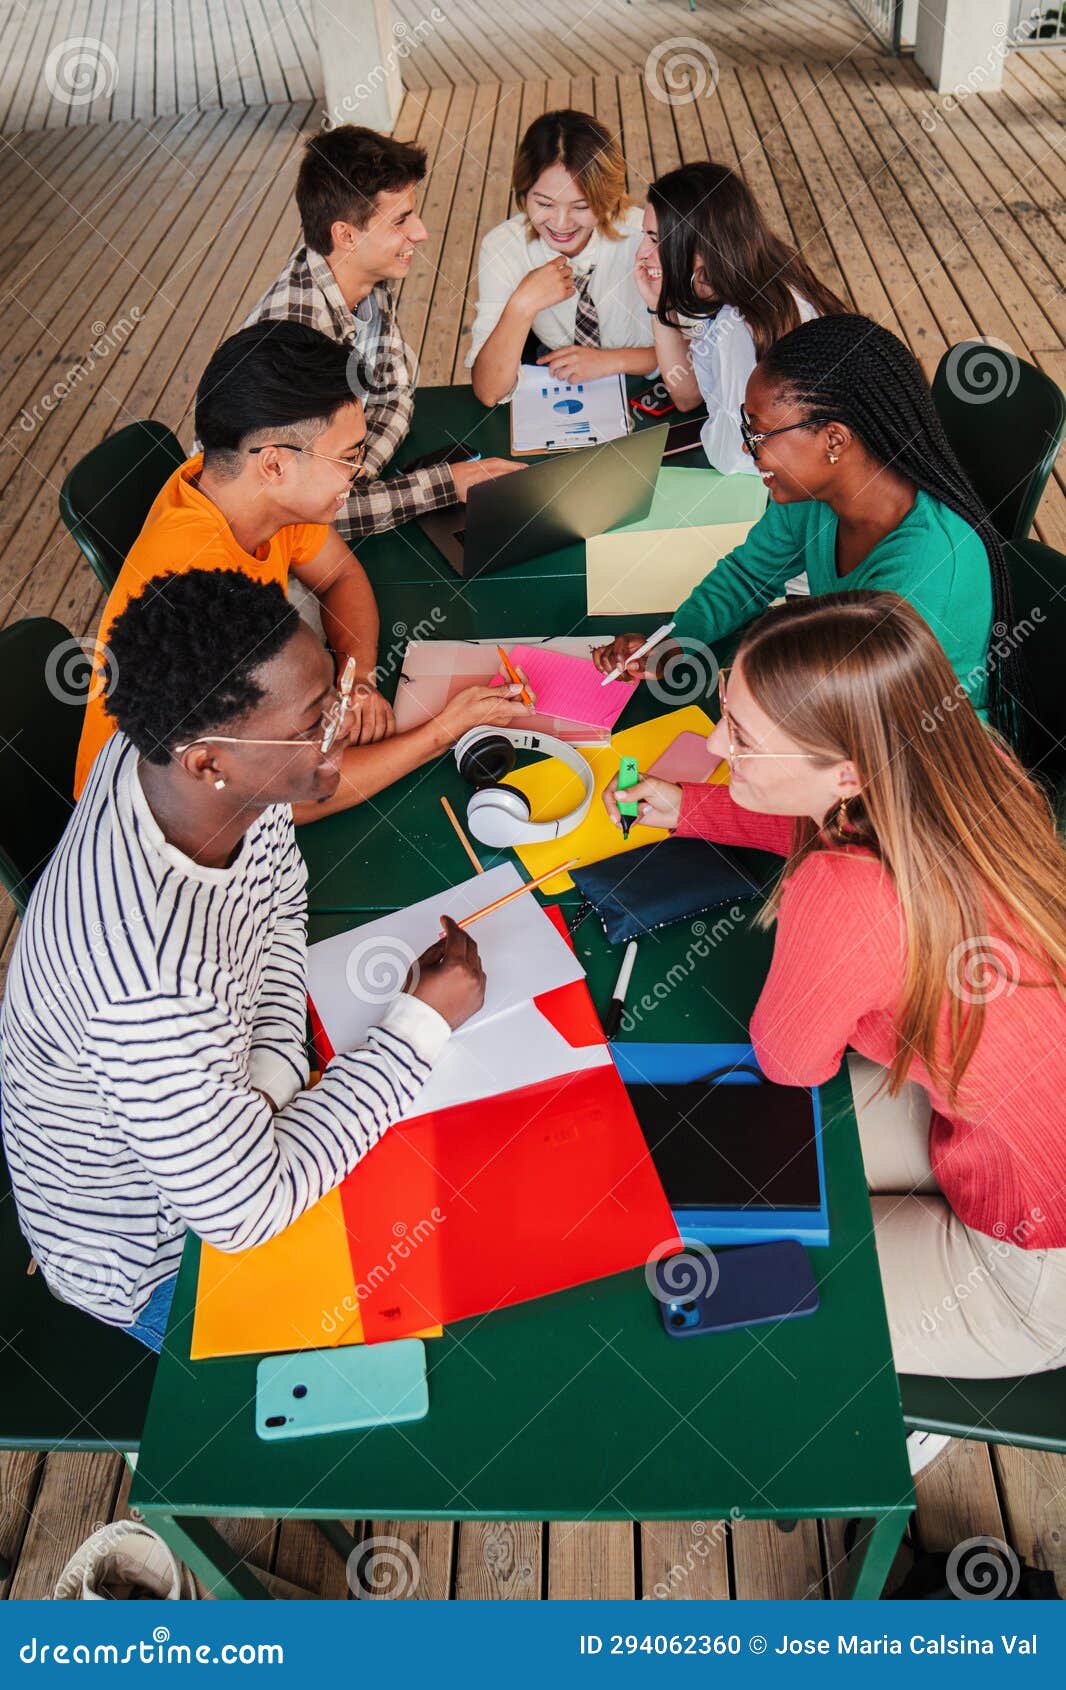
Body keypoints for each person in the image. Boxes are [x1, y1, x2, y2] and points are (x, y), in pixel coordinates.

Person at [2, 570, 490, 1351]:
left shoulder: (199, 769)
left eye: (332, 695)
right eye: (315, 720)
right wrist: (419, 1029)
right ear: (207, 761)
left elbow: (279, 898)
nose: (343, 726)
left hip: (222, 1132)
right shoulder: (147, 986)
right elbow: (245, 1213)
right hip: (162, 1261)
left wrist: (275, 1072)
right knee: (446, 1307)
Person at [603, 592, 1066, 1399]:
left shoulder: (842, 890)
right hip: (987, 1141)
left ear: (849, 770)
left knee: (732, 1287)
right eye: (727, 711)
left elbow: (792, 1065)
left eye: (742, 737)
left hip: (1032, 1270)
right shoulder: (967, 765)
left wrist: (823, 941)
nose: (714, 745)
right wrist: (692, 807)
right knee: (715, 1178)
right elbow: (841, 812)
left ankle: (904, 1434)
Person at [74, 321, 529, 818]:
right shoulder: (199, 589)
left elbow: (340, 576)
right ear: (274, 464)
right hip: (153, 825)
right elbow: (283, 797)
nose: (358, 473)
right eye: (348, 457)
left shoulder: (242, 492)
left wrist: (357, 678)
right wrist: (441, 733)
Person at [594, 314, 1023, 736]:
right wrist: (675, 642)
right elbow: (748, 574)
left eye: (759, 434)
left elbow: (863, 719)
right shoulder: (814, 491)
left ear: (833, 440)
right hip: (847, 708)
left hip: (924, 748)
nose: (746, 448)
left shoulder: (923, 573)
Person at [246, 125, 521, 539]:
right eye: (400, 221)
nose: (421, 233)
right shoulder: (292, 343)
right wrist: (445, 484)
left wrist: (351, 475)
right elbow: (301, 517)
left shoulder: (362, 276)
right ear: (346, 235)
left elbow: (395, 393)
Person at [634, 161, 846, 474]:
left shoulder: (738, 327)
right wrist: (659, 306)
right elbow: (686, 395)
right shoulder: (759, 275)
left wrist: (714, 430)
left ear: (700, 246)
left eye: (656, 239)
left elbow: (730, 457)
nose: (642, 253)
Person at [469, 110, 657, 406]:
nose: (560, 223)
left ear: (607, 198)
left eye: (580, 207)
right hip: (564, 391)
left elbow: (695, 353)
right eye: (544, 203)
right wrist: (521, 305)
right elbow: (489, 390)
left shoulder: (646, 238)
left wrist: (612, 361)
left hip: (655, 387)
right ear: (524, 194)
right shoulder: (503, 247)